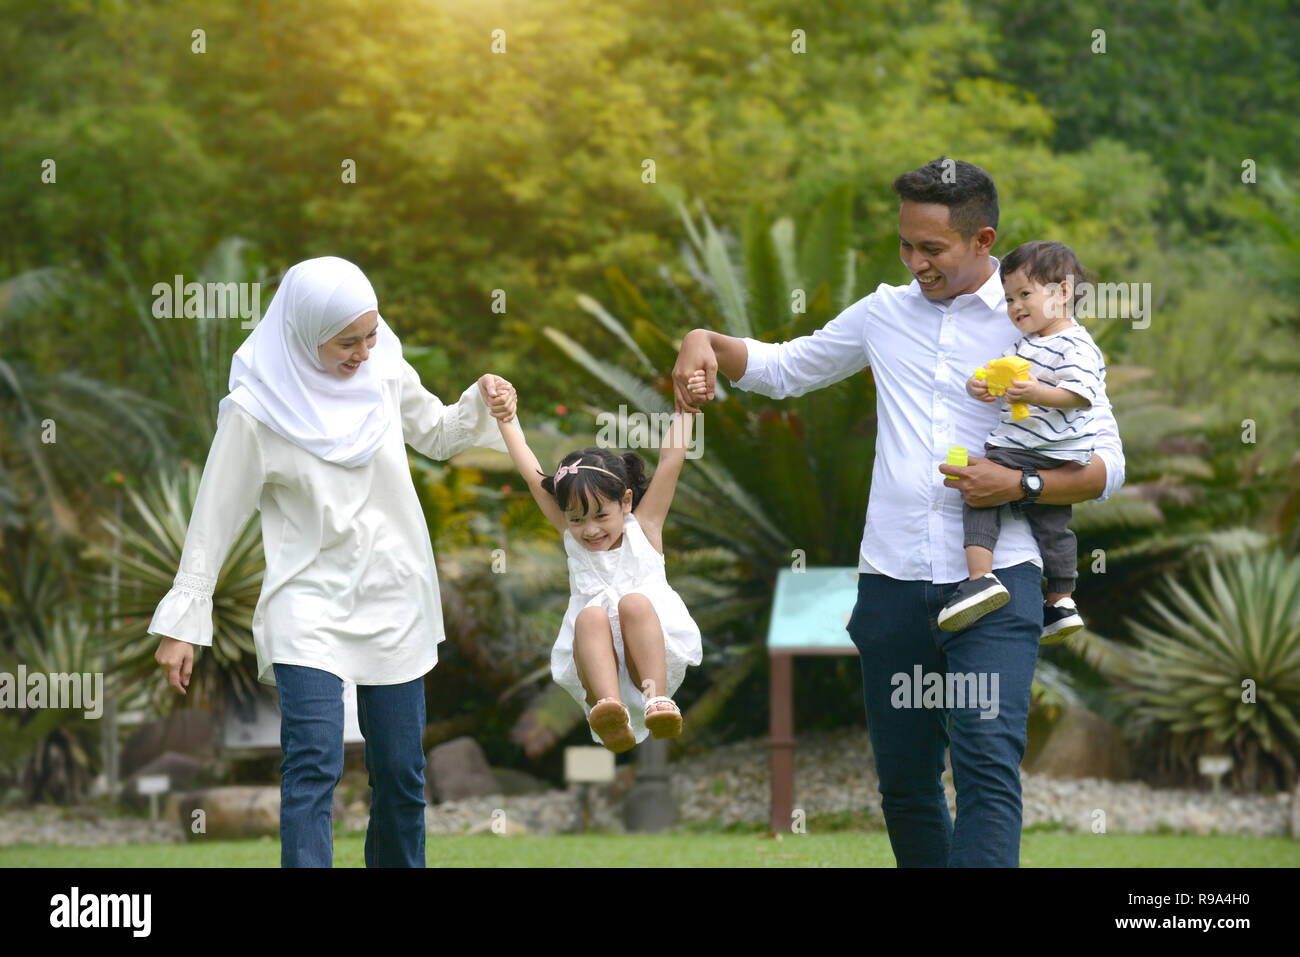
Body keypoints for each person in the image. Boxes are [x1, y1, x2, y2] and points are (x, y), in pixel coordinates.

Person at [671, 158, 1126, 867]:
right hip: (890, 585)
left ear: (983, 239)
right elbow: (788, 366)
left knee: (985, 768)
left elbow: (1107, 465)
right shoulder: (883, 313)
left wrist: (1018, 486)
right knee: (907, 785)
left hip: (998, 581)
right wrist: (706, 342)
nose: (915, 262)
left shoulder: (1038, 321)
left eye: (932, 249)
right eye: (905, 245)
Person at [148, 256, 518, 867]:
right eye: (347, 342)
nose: (364, 352)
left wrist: (481, 398)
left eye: (372, 335)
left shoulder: (385, 369)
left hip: (394, 593)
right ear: (300, 332)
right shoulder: (255, 410)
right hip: (307, 602)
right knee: (313, 763)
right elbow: (215, 515)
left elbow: (442, 436)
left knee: (400, 773)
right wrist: (182, 623)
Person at [495, 399, 705, 752]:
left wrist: (687, 411)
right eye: (576, 519)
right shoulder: (570, 534)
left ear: (624, 502)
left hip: (651, 656)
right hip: (596, 666)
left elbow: (671, 460)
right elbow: (532, 475)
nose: (589, 530)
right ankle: (611, 712)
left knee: (635, 603)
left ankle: (658, 702)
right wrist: (506, 419)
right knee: (590, 616)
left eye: (600, 516)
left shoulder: (646, 526)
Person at [937, 240, 1106, 642]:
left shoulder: (1076, 344)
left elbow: (1081, 394)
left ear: (1063, 292)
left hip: (1032, 448)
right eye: (1009, 298)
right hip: (1048, 453)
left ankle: (980, 578)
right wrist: (979, 384)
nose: (1015, 306)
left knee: (978, 494)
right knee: (1053, 525)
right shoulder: (1027, 344)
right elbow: (999, 374)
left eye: (1025, 294)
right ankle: (1061, 601)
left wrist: (1035, 394)